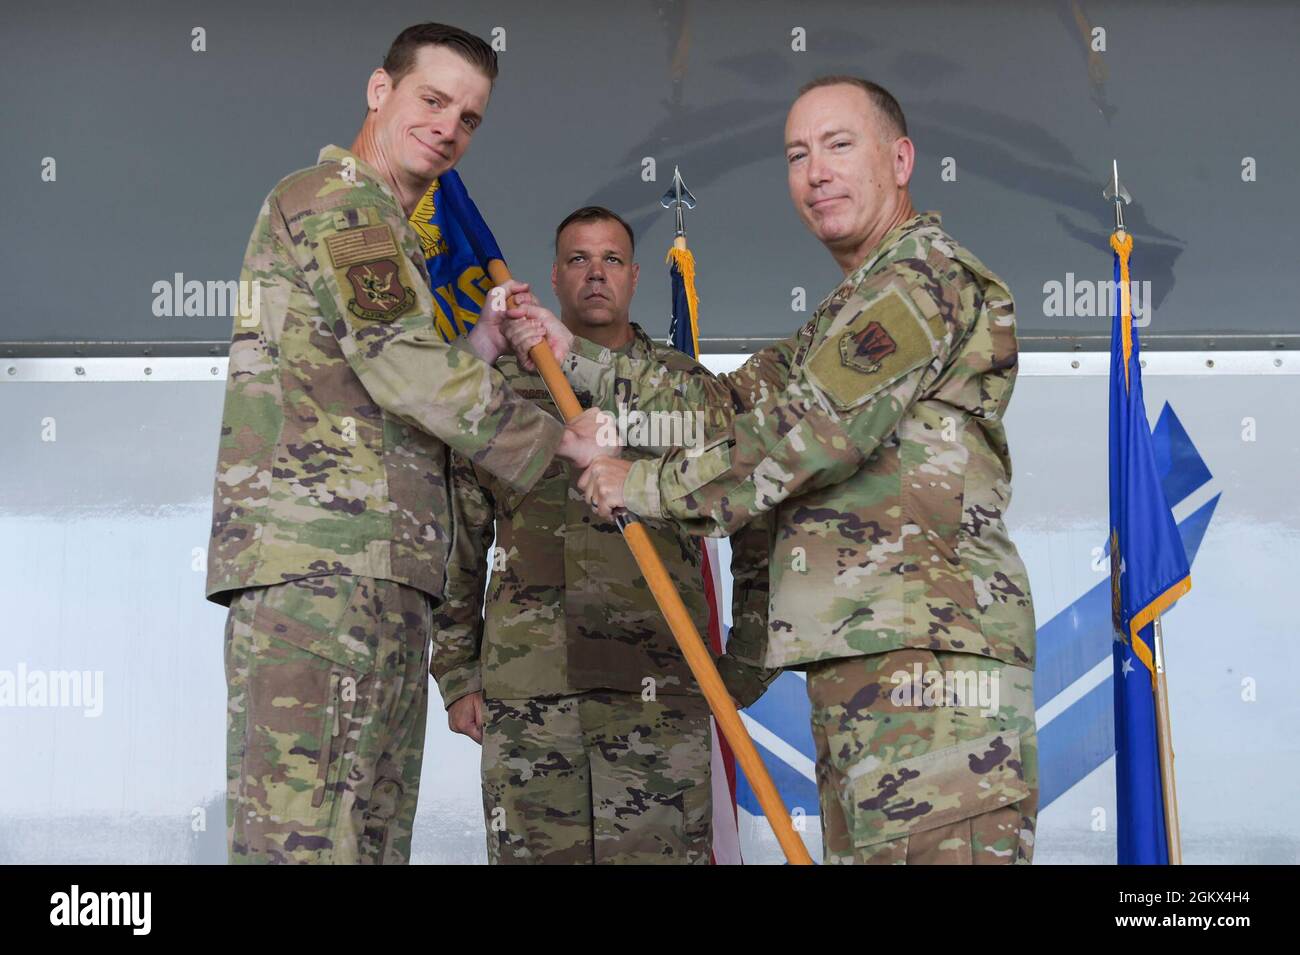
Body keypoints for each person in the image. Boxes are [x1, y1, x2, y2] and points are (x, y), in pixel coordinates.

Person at [504, 77, 1039, 864]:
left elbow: (812, 434)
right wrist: (576, 353)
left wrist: (639, 484)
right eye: (797, 153)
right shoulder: (845, 309)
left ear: (900, 158)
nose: (815, 171)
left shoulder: (921, 280)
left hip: (931, 671)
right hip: (867, 663)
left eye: (838, 144)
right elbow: (719, 408)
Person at [206, 22, 604, 864]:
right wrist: (562, 444)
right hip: (324, 578)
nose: (450, 127)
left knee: (367, 843)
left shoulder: (387, 227)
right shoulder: (337, 202)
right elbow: (402, 367)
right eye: (434, 99)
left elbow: (390, 382)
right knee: (307, 843)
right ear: (379, 91)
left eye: (469, 117)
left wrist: (481, 350)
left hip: (379, 577)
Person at [432, 206, 777, 864]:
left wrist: (747, 661)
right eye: (579, 260)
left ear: (636, 277)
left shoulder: (686, 392)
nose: (596, 274)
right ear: (555, 279)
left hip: (657, 692)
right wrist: (455, 670)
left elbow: (754, 521)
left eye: (612, 259)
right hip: (532, 696)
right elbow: (461, 537)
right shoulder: (500, 394)